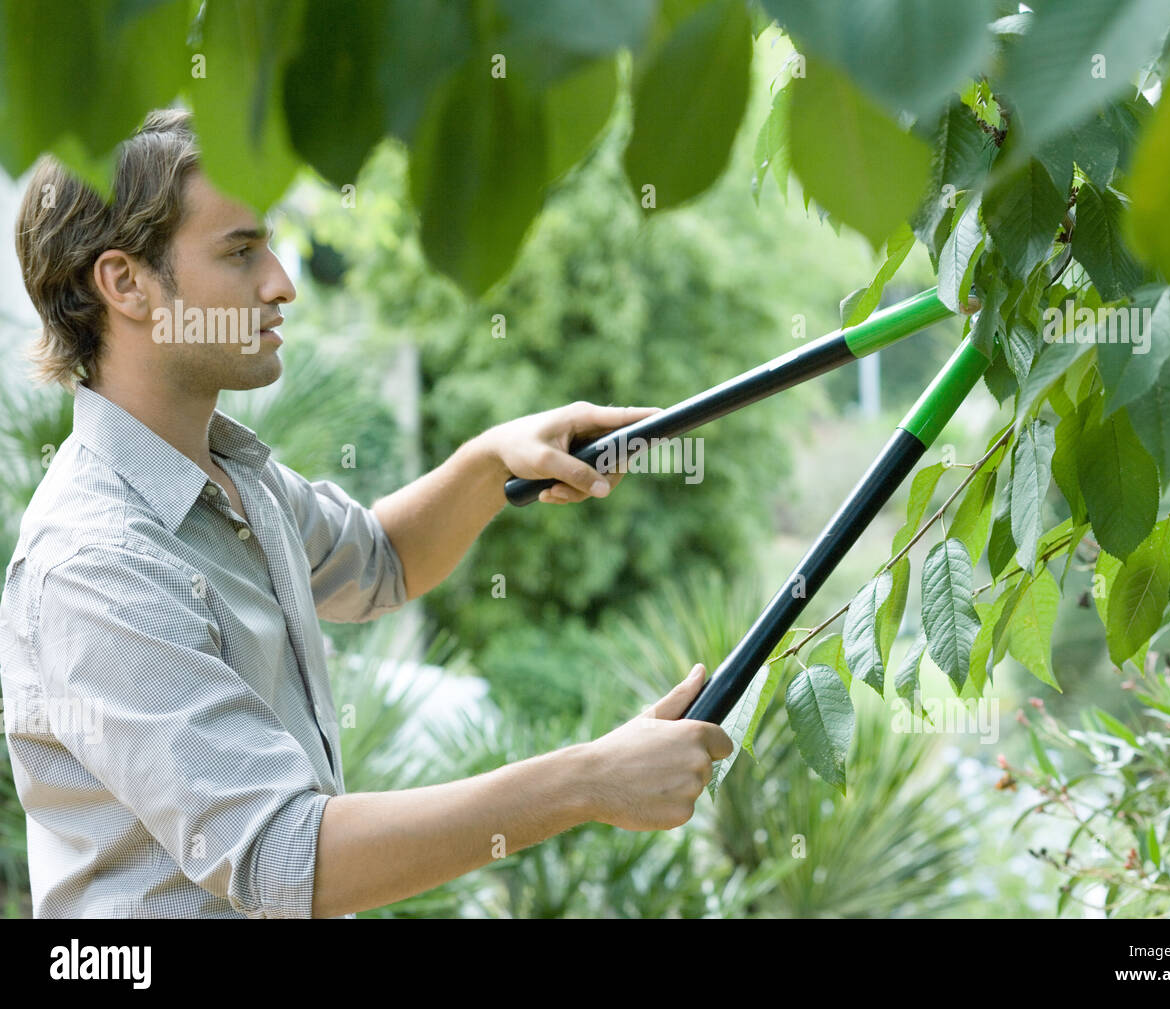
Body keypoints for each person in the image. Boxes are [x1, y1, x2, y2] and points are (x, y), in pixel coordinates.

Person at [0, 107, 732, 919]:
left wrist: (495, 458)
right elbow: (284, 857)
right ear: (125, 284)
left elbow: (381, 560)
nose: (282, 282)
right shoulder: (98, 563)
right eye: (242, 252)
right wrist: (587, 780)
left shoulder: (233, 476)